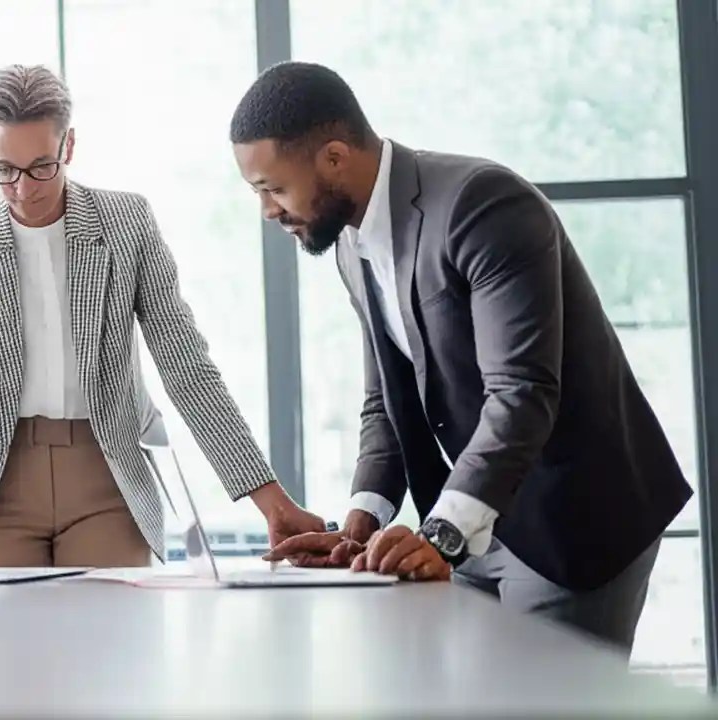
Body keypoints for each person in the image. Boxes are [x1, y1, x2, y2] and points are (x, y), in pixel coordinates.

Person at [227, 61, 693, 652]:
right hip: (475, 523)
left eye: (272, 188)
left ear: (335, 158)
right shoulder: (350, 243)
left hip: (572, 517)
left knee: (542, 698)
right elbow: (387, 400)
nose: (268, 211)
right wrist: (360, 526)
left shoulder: (483, 204)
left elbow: (521, 392)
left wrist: (440, 536)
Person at [0, 64, 324, 570]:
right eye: (5, 170)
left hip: (107, 478)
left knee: (109, 619)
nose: (24, 188)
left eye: (41, 166)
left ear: (68, 147)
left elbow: (186, 368)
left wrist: (270, 499)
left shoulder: (126, 222)